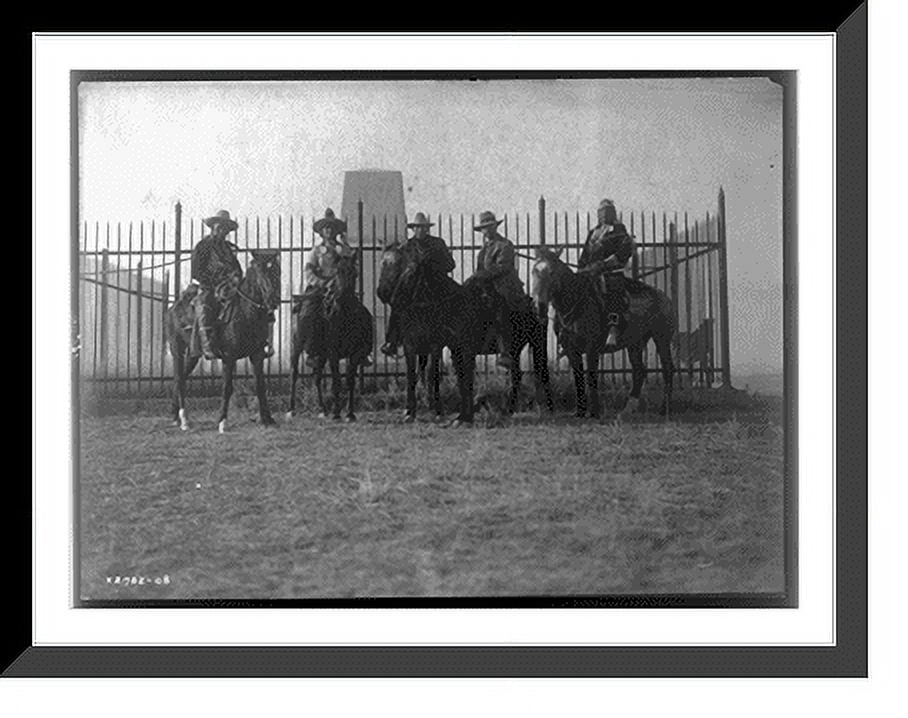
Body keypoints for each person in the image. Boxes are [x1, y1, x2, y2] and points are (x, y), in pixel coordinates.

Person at [299, 208, 371, 367]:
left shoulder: (344, 249)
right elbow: (308, 273)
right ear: (321, 231)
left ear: (337, 230)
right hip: (320, 290)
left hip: (341, 289)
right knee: (309, 315)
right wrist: (324, 283)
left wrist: (345, 274)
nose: (329, 230)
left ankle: (363, 351)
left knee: (364, 314)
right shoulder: (316, 251)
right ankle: (312, 352)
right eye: (326, 227)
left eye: (332, 227)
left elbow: (353, 268)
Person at [189, 209, 263, 360]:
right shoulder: (203, 246)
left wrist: (235, 277)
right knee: (205, 305)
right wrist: (214, 281)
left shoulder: (228, 248)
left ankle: (254, 342)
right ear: (213, 227)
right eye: (219, 227)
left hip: (229, 287)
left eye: (225, 229)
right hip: (209, 286)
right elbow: (196, 271)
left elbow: (237, 269)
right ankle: (207, 345)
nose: (222, 231)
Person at [380, 212, 456, 357]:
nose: (420, 230)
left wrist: (432, 265)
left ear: (427, 228)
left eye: (423, 227)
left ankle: (453, 333)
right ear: (413, 229)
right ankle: (392, 341)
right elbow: (400, 267)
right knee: (397, 303)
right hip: (413, 284)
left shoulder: (437, 243)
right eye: (417, 227)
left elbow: (450, 264)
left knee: (453, 298)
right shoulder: (407, 246)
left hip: (435, 281)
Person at [468, 211, 527, 370]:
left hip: (503, 286)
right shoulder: (484, 249)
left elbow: (502, 267)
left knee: (499, 307)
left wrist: (480, 276)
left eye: (490, 226)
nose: (487, 230)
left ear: (495, 227)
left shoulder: (505, 245)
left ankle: (505, 350)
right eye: (484, 228)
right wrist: (473, 279)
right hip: (486, 286)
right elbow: (480, 269)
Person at [577, 198, 636, 348]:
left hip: (611, 271)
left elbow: (625, 249)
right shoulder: (593, 232)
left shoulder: (618, 229)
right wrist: (582, 269)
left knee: (613, 288)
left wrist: (606, 263)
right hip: (591, 273)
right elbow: (585, 254)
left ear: (613, 213)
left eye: (607, 211)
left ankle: (613, 328)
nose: (603, 215)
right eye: (601, 212)